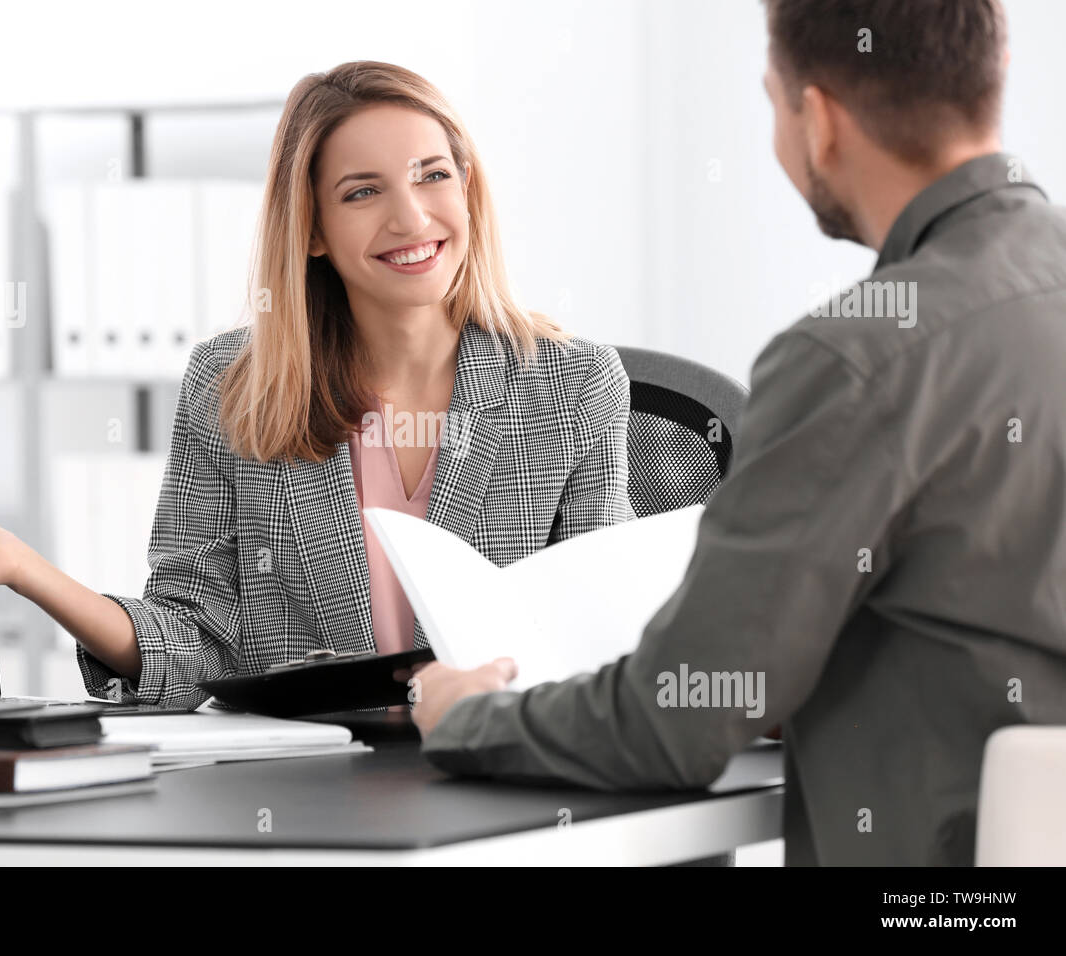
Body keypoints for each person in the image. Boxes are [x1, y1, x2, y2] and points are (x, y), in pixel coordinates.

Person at [412, 0, 1066, 866]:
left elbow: (673, 724)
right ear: (995, 71)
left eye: (772, 100)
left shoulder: (856, 360)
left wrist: (466, 717)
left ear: (818, 118)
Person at [0, 61, 633, 709]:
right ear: (313, 229)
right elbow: (194, 637)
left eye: (432, 176)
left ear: (468, 187)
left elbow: (603, 634)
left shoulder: (570, 388)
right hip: (305, 790)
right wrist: (23, 569)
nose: (411, 217)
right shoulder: (233, 386)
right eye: (363, 192)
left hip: (503, 779)